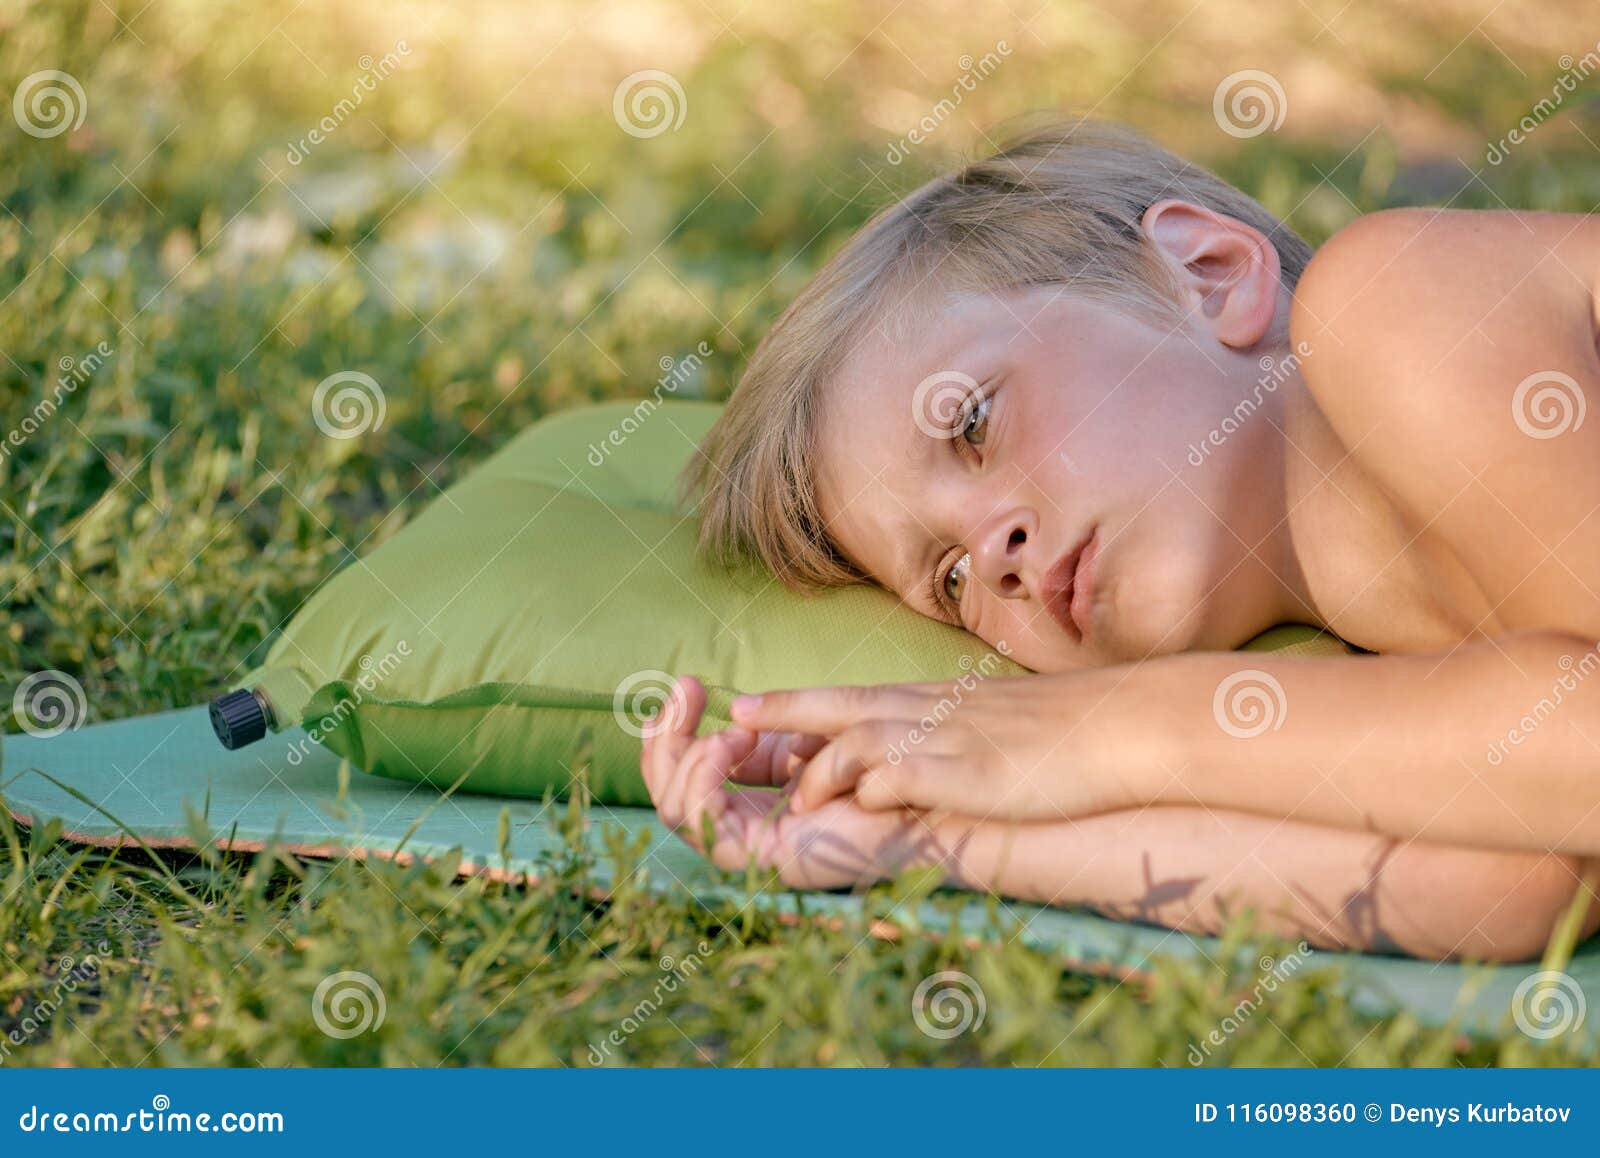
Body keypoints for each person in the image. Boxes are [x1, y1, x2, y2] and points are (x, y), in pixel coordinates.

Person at [639, 117, 1600, 961]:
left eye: (972, 424)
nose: (997, 554)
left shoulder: (1396, 303)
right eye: (951, 577)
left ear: (1209, 274)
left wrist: (1115, 728)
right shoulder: (1379, 654)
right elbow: (1510, 877)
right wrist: (918, 833)